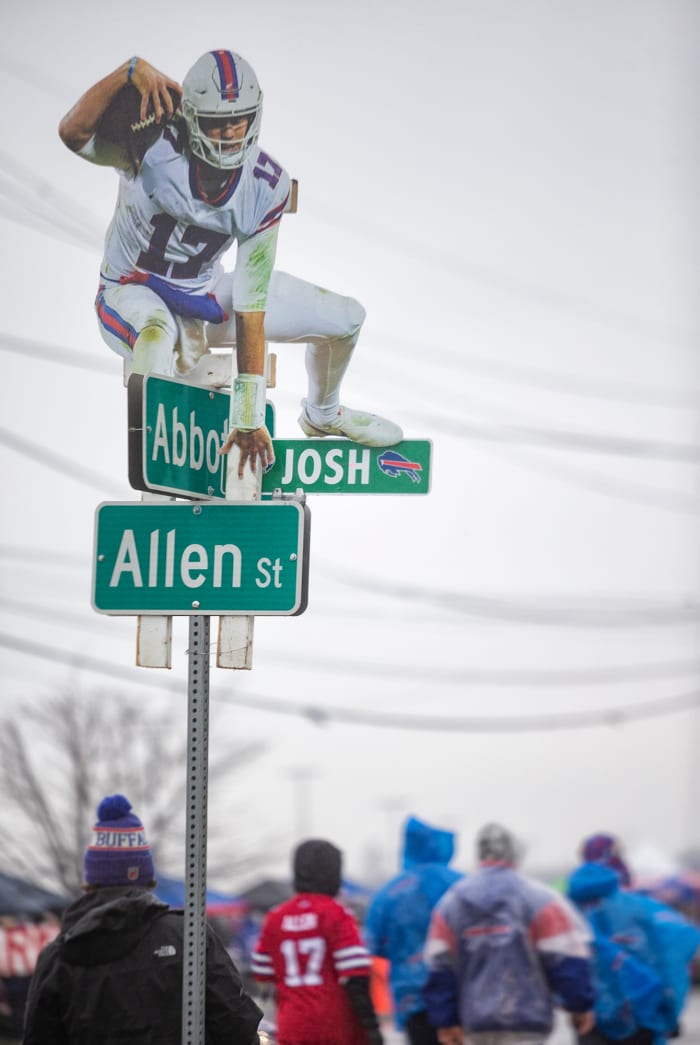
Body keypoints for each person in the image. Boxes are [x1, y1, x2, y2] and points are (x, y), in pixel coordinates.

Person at [58, 51, 402, 478]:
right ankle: (157, 469)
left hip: (203, 294)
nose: (229, 132)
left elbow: (250, 307)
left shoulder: (264, 185)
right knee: (155, 336)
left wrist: (246, 416)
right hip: (132, 290)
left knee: (347, 318)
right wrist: (129, 72)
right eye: (217, 121)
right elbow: (73, 132)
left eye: (239, 119)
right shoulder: (151, 143)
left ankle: (323, 414)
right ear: (188, 116)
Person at [22, 794, 262, 1044]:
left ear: (91, 881)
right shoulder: (188, 937)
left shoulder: (59, 956)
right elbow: (237, 1028)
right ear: (146, 878)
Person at [423, 822, 595, 1045]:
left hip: (476, 1026)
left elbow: (440, 965)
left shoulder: (451, 903)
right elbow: (565, 958)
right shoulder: (538, 899)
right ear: (513, 852)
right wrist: (579, 1005)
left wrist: (446, 1020)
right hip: (529, 1023)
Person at [251, 838, 383, 1045]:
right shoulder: (337, 914)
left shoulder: (275, 917)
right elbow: (356, 976)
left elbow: (262, 972)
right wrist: (371, 1028)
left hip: (291, 1025)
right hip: (334, 1025)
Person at [567, 855, 700, 1045]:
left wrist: (575, 1006)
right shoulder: (642, 909)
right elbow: (673, 953)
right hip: (643, 1013)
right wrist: (669, 1009)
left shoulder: (568, 914)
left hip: (591, 1018)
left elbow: (560, 967)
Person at [364, 815, 463, 1044]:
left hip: (413, 999)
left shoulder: (389, 894)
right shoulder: (463, 886)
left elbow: (373, 943)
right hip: (461, 994)